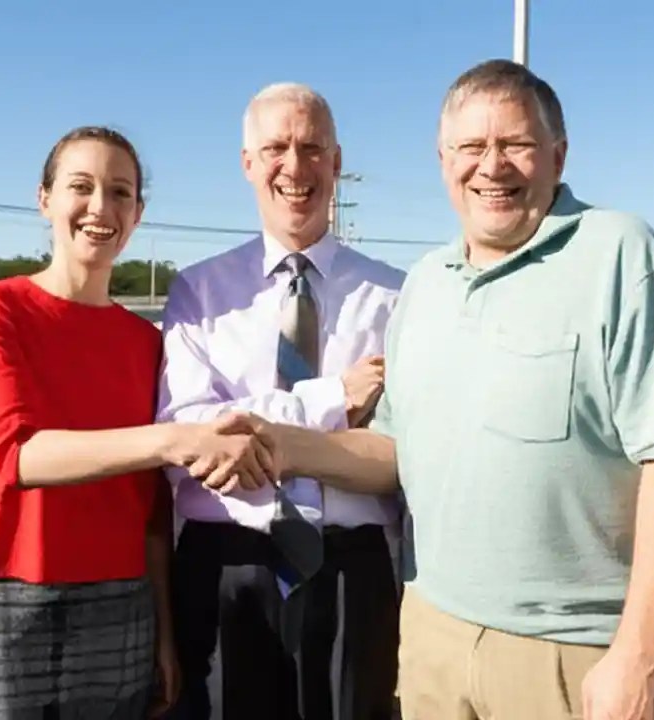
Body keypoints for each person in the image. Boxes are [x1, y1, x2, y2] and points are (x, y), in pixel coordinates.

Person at [241, 59, 654, 720]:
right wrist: (278, 443)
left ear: (558, 154)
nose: (491, 166)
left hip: (565, 652)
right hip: (430, 634)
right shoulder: (426, 284)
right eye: (470, 147)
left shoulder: (620, 254)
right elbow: (393, 453)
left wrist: (639, 655)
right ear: (443, 161)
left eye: (515, 144)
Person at [0, 125, 275, 720]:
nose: (101, 208)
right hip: (2, 598)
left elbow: (151, 512)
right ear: (45, 199)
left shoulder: (146, 343)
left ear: (138, 213)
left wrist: (164, 636)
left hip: (123, 602)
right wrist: (173, 439)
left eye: (120, 193)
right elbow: (16, 455)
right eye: (81, 187)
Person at [156, 83, 406, 720]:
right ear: (247, 163)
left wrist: (256, 422)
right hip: (227, 563)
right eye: (275, 148)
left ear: (337, 160)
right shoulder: (199, 292)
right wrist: (330, 402)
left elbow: (406, 448)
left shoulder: (397, 297)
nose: (294, 167)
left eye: (311, 147)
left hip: (355, 569)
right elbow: (191, 436)